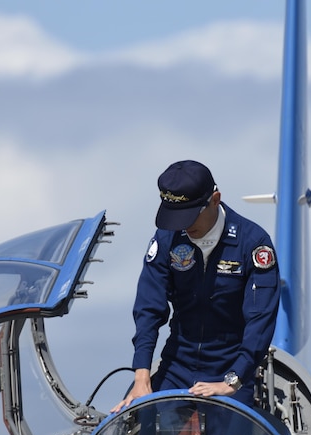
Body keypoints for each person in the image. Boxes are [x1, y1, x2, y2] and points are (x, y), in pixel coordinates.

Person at [112, 160, 279, 413]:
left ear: (215, 200)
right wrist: (141, 375)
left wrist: (233, 381)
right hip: (177, 365)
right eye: (176, 217)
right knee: (144, 424)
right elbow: (149, 308)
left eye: (190, 216)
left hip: (230, 366)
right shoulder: (166, 239)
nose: (184, 226)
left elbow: (260, 319)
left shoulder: (253, 243)